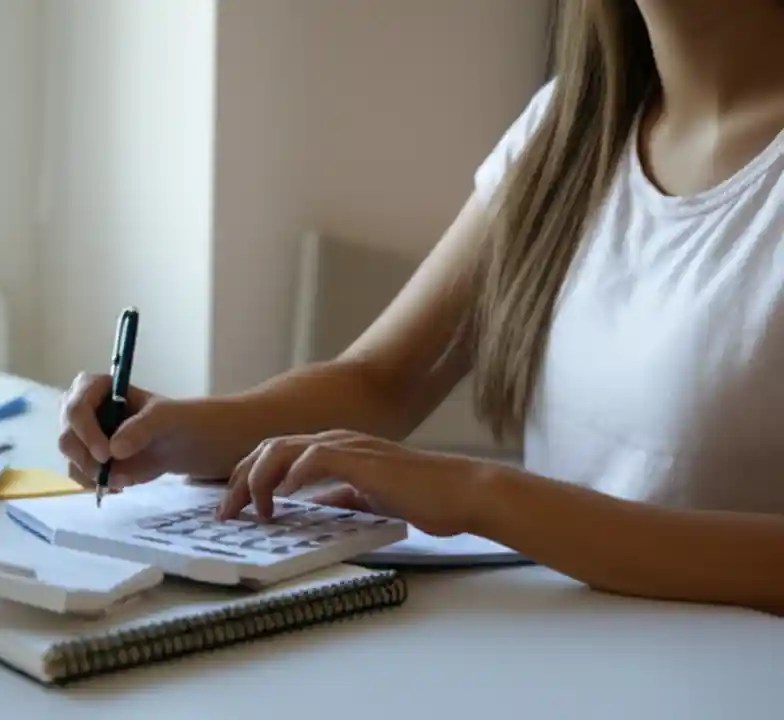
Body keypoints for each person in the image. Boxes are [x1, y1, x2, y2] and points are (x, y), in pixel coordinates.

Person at [57, 0, 784, 616]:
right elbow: (384, 379)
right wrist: (180, 431)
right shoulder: (571, 128)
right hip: (567, 654)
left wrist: (482, 496)